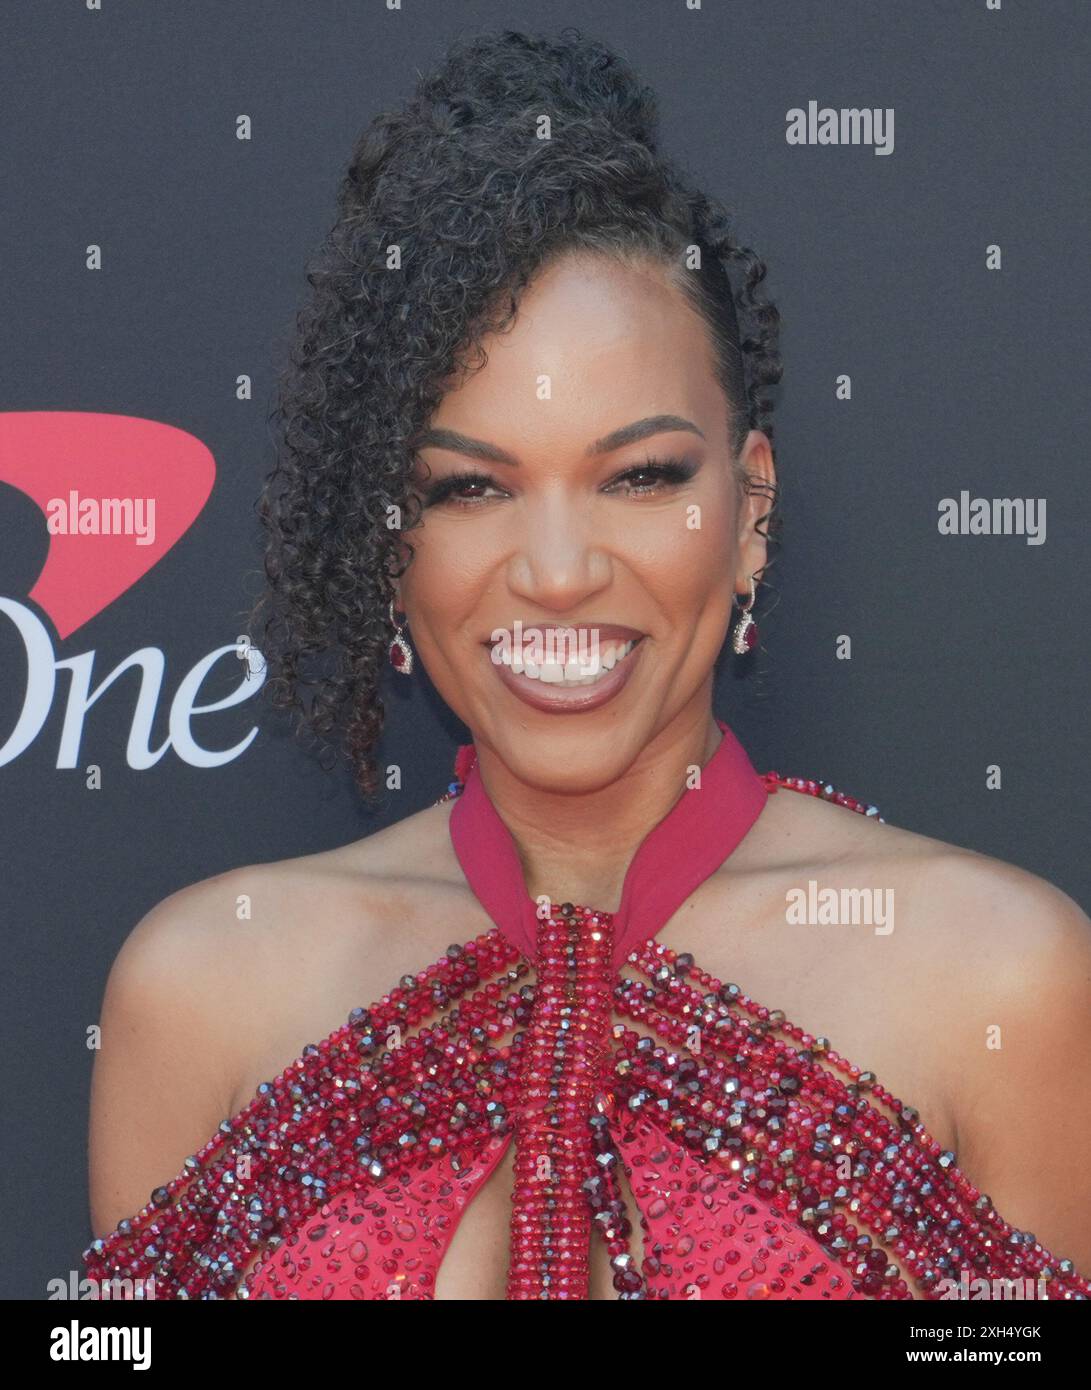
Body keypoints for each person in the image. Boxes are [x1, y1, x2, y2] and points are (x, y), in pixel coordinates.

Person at [83, 28, 1091, 1301]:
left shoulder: (998, 976)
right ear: (390, 543)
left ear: (750, 509)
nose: (556, 571)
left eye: (639, 475)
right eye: (468, 486)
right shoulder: (198, 990)